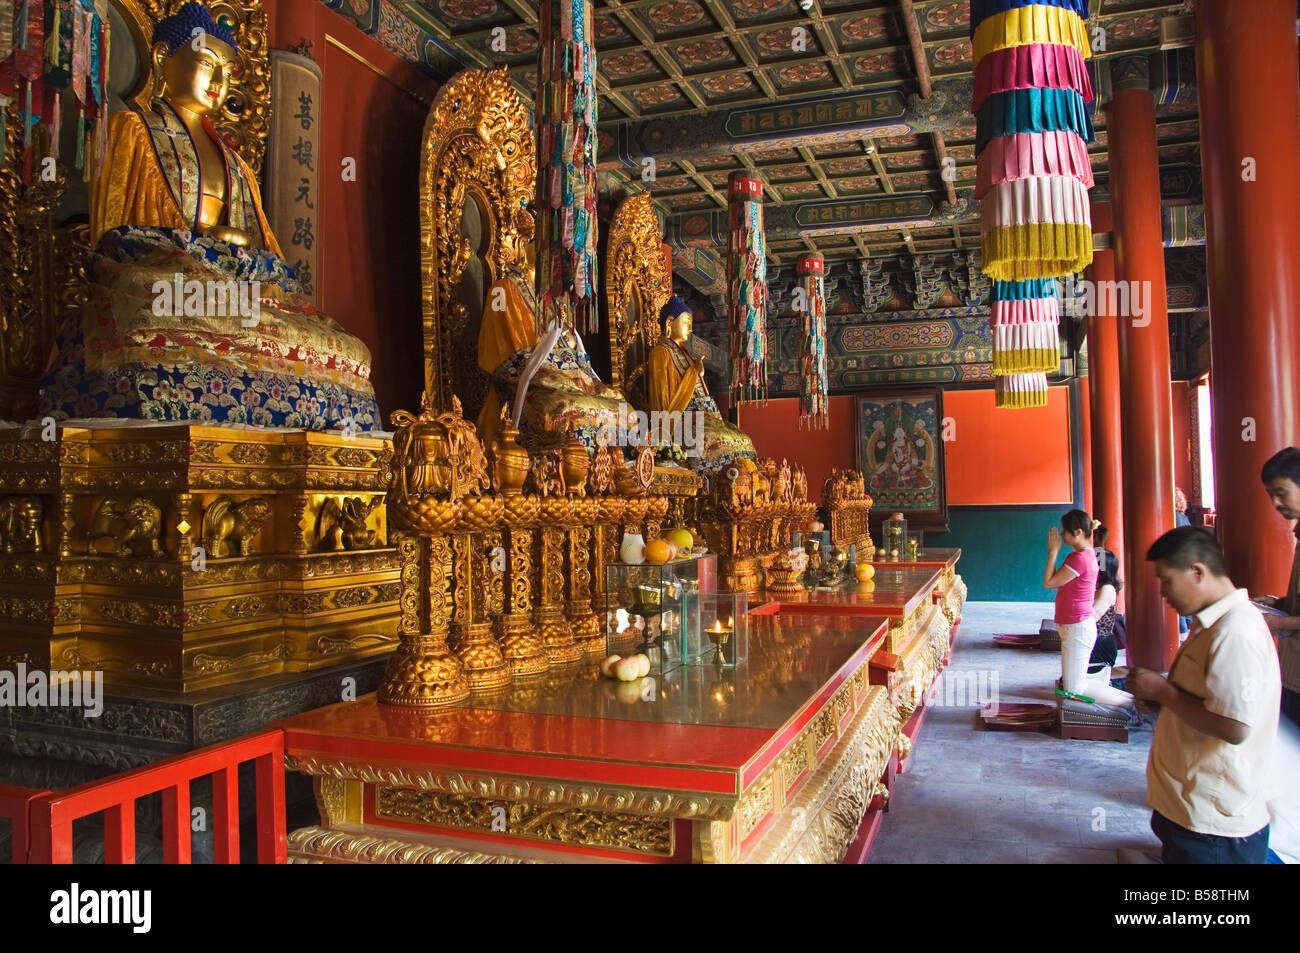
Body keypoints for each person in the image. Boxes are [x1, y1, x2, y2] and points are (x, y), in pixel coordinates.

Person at [1129, 527, 1280, 864]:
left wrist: (1164, 692)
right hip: (1190, 809)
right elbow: (1206, 701)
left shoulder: (1236, 632)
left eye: (1167, 580)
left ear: (1196, 571)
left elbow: (1235, 726)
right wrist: (1163, 699)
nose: (1163, 593)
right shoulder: (1212, 624)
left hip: (1214, 825)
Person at [1254, 447, 1300, 729]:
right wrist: (1279, 603)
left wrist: (1274, 623)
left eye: (1281, 492)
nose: (1275, 502)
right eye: (1271, 494)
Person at [1044, 509, 1099, 696]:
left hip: (1078, 628)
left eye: (1064, 531)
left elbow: (1049, 582)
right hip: (1075, 626)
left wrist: (1053, 552)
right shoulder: (1081, 555)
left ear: (1078, 533)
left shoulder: (1080, 558)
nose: (1061, 534)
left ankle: (1128, 706)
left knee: (1074, 690)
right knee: (1073, 686)